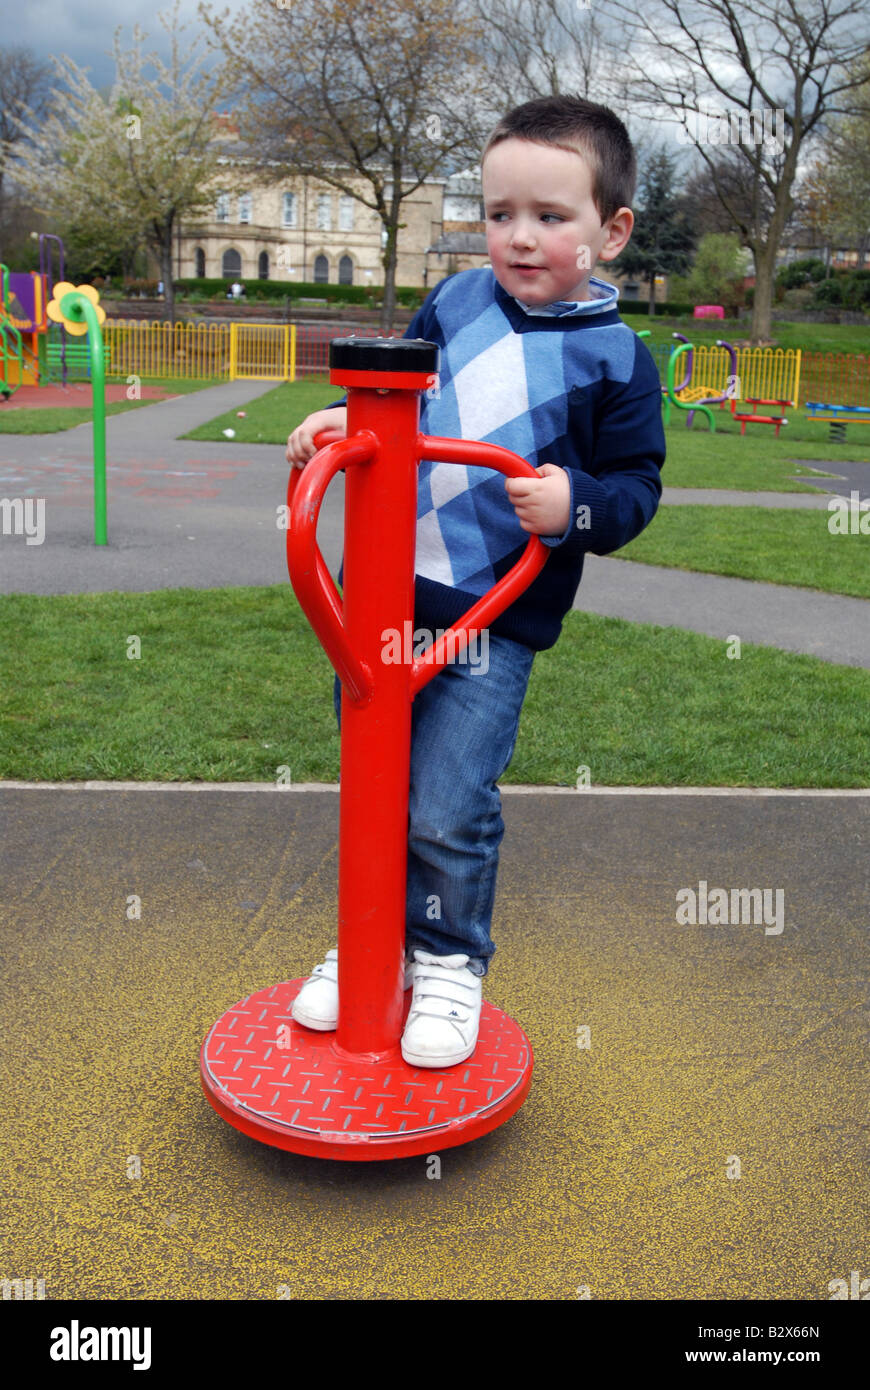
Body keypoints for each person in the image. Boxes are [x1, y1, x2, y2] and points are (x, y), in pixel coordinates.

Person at [285, 94, 665, 1069]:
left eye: (550, 217)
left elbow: (634, 491)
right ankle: (373, 947)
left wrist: (573, 502)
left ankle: (450, 957)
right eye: (500, 215)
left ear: (610, 232)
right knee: (374, 792)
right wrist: (343, 420)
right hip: (382, 598)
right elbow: (392, 399)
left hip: (489, 623)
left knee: (447, 802)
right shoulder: (454, 303)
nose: (520, 237)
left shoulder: (616, 360)